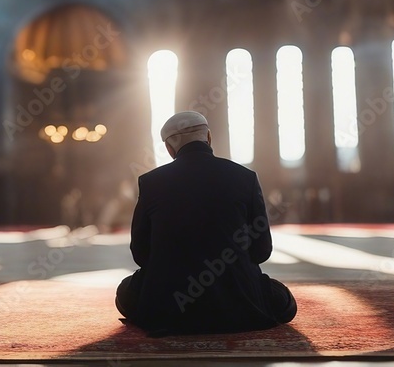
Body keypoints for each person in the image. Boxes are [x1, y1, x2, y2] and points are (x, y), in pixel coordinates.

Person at [116, 111, 296, 335]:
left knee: (125, 293)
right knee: (283, 300)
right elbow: (261, 251)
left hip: (169, 307)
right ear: (208, 137)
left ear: (169, 148)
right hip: (238, 304)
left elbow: (141, 255)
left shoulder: (150, 183)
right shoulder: (245, 177)